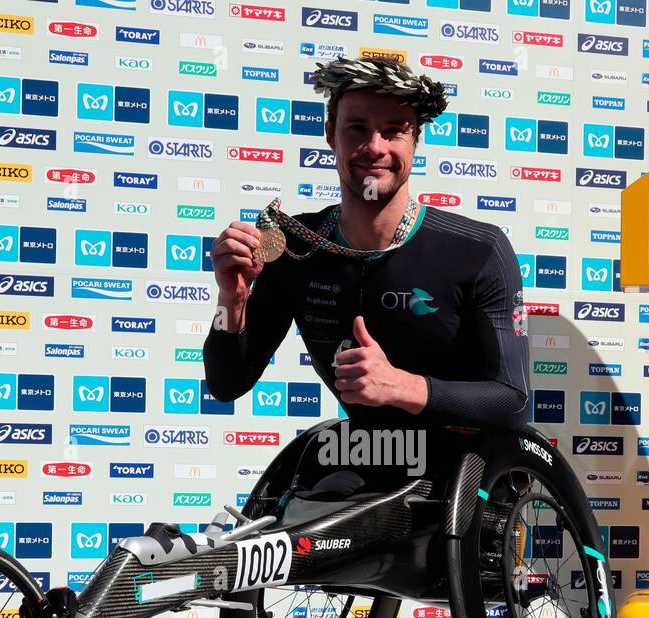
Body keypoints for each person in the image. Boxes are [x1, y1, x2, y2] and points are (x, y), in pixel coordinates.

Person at [205, 56, 529, 497]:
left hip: (469, 474)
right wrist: (232, 301)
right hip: (371, 461)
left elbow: (511, 400)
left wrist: (399, 386)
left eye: (394, 130)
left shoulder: (479, 248)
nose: (375, 147)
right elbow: (227, 385)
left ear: (416, 140)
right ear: (329, 135)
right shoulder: (298, 245)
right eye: (357, 128)